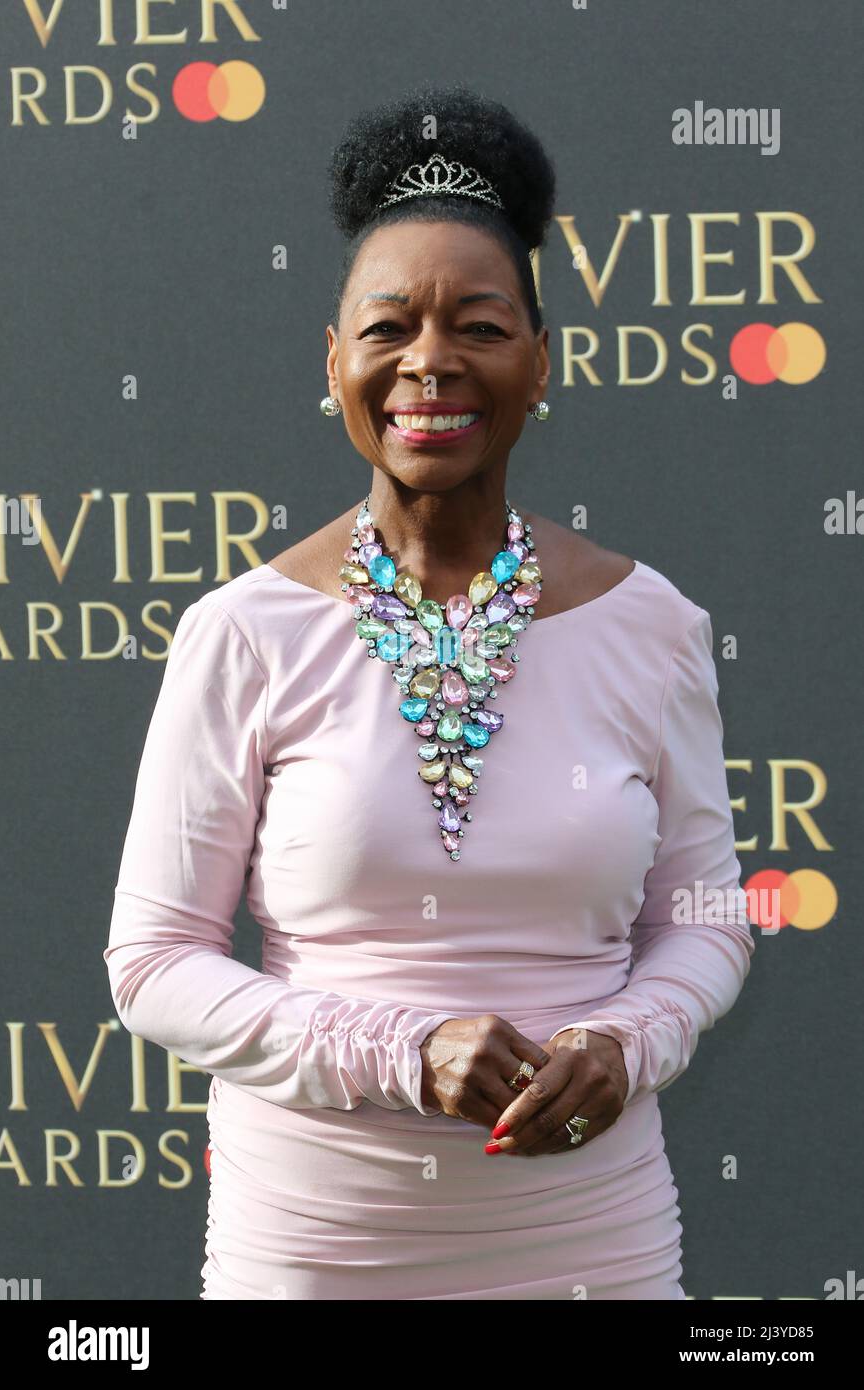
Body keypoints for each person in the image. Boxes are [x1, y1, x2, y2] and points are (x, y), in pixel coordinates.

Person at [104, 83, 755, 1301]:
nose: (429, 361)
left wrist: (625, 1041)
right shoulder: (242, 634)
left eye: (479, 324)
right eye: (389, 325)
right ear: (335, 361)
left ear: (541, 361)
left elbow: (706, 919)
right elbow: (152, 962)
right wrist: (403, 1048)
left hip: (590, 1250)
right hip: (312, 1252)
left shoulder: (652, 625)